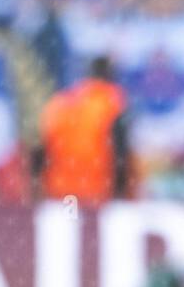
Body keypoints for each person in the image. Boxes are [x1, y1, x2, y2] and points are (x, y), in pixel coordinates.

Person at [34, 56, 130, 204]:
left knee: (67, 224)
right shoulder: (111, 100)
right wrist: (121, 190)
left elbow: (41, 145)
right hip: (96, 188)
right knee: (89, 226)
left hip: (59, 188)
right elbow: (120, 151)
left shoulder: (62, 100)